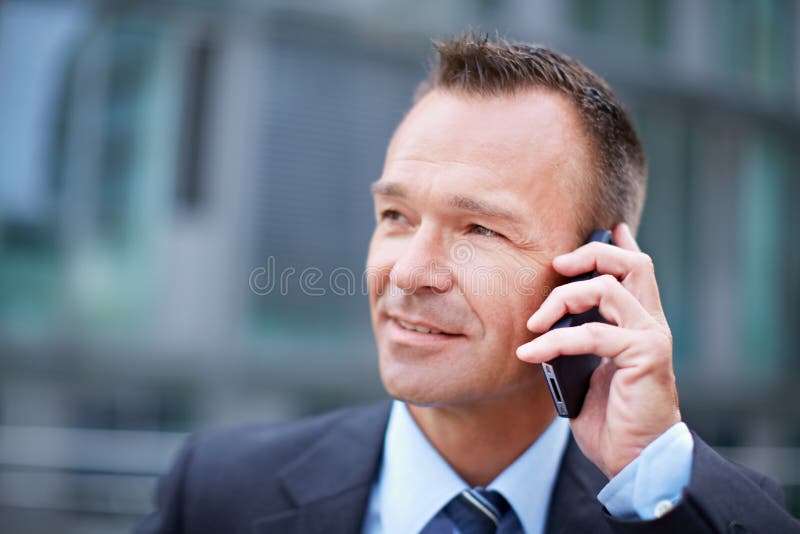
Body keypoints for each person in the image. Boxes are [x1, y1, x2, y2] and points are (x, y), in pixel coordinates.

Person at [135, 33, 799, 534]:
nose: (410, 272)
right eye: (396, 216)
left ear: (599, 270)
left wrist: (649, 469)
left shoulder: (688, 506)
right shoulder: (218, 492)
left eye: (479, 229)